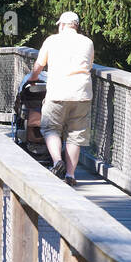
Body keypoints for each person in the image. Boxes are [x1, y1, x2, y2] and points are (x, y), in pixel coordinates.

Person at [26, 11, 94, 186]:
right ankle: (70, 175)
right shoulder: (87, 42)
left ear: (62, 25)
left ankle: (57, 162)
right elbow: (90, 65)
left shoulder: (52, 41)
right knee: (75, 136)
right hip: (82, 94)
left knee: (51, 129)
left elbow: (40, 64)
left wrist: (33, 78)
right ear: (76, 26)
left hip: (58, 92)